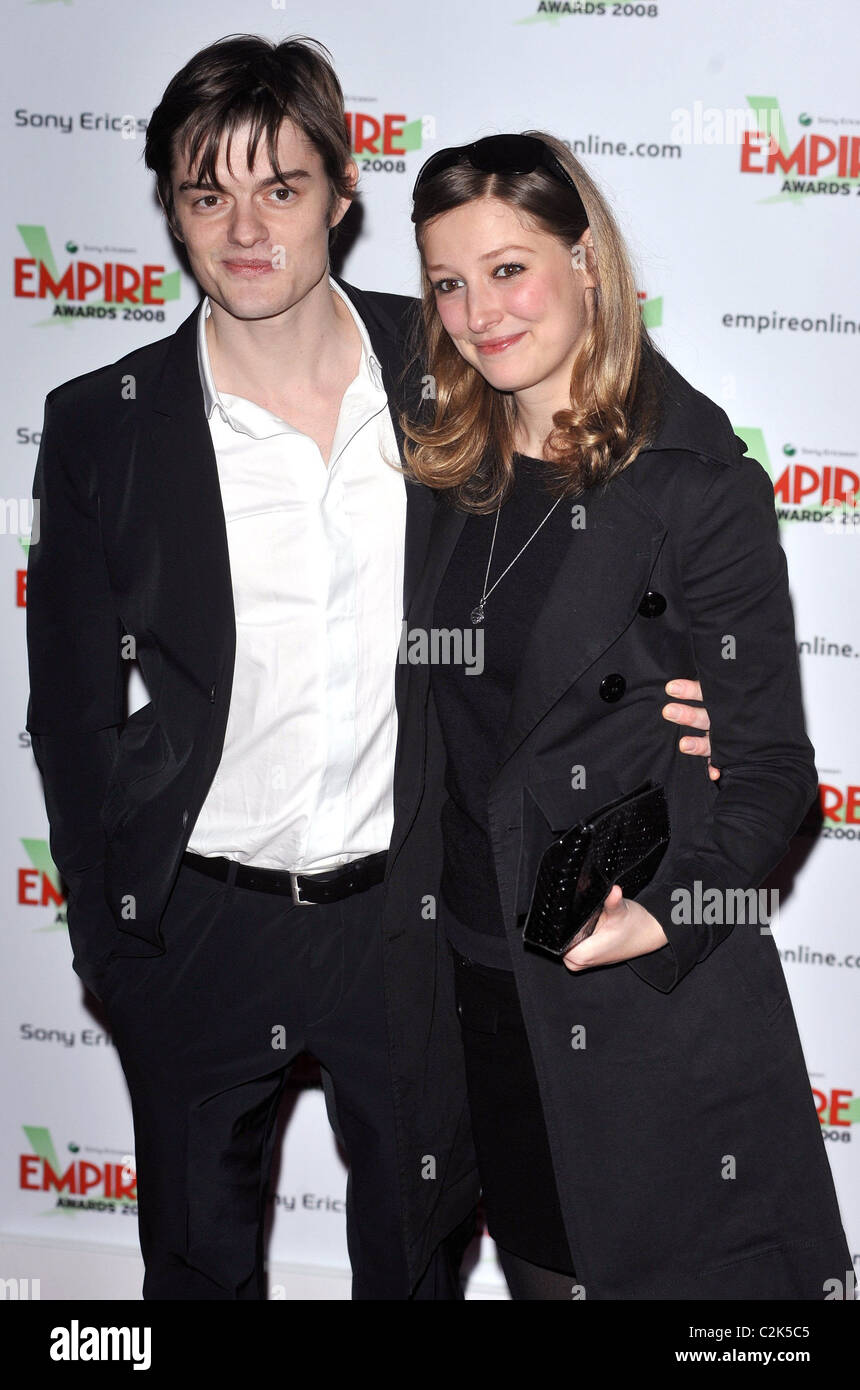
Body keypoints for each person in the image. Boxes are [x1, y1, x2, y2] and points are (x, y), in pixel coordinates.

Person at [24, 34, 712, 1300]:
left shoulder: (445, 371)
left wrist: (688, 686)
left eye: (279, 187)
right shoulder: (100, 425)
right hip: (199, 923)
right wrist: (111, 934)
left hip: (410, 918)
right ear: (170, 207)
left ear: (340, 197)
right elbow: (68, 709)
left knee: (412, 1262)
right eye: (205, 191)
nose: (243, 228)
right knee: (195, 1268)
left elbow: (615, 493)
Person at [398, 131, 853, 1300]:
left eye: (508, 269)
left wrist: (658, 920)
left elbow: (769, 776)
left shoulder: (693, 481)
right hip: (479, 979)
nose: (476, 311)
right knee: (544, 1276)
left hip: (629, 982)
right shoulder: (445, 465)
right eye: (447, 281)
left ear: (586, 258)